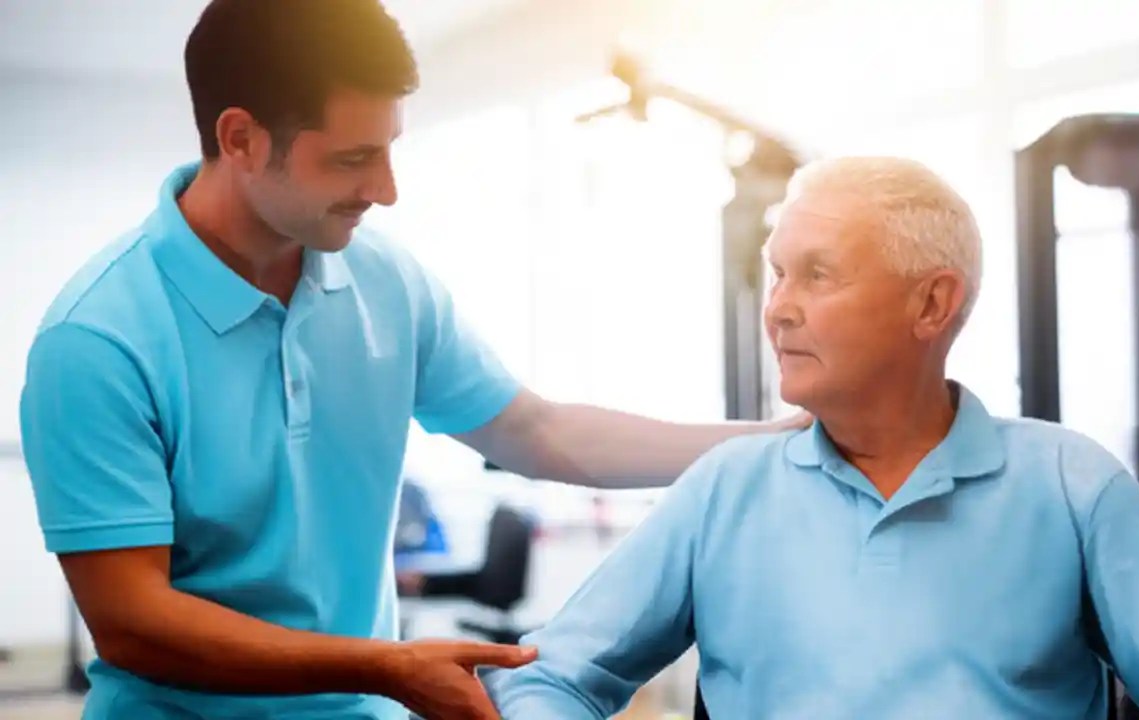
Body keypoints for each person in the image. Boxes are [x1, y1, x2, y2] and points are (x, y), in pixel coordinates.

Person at [15, 2, 805, 719]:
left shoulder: (386, 281)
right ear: (240, 140)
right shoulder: (97, 340)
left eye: (389, 150)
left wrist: (775, 440)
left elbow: (540, 431)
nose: (386, 190)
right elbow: (130, 626)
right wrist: (389, 667)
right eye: (352, 160)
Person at [485, 156, 1139, 718]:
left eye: (818, 275)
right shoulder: (724, 489)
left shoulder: (1071, 485)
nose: (780, 308)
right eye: (778, 274)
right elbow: (543, 679)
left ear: (932, 305)